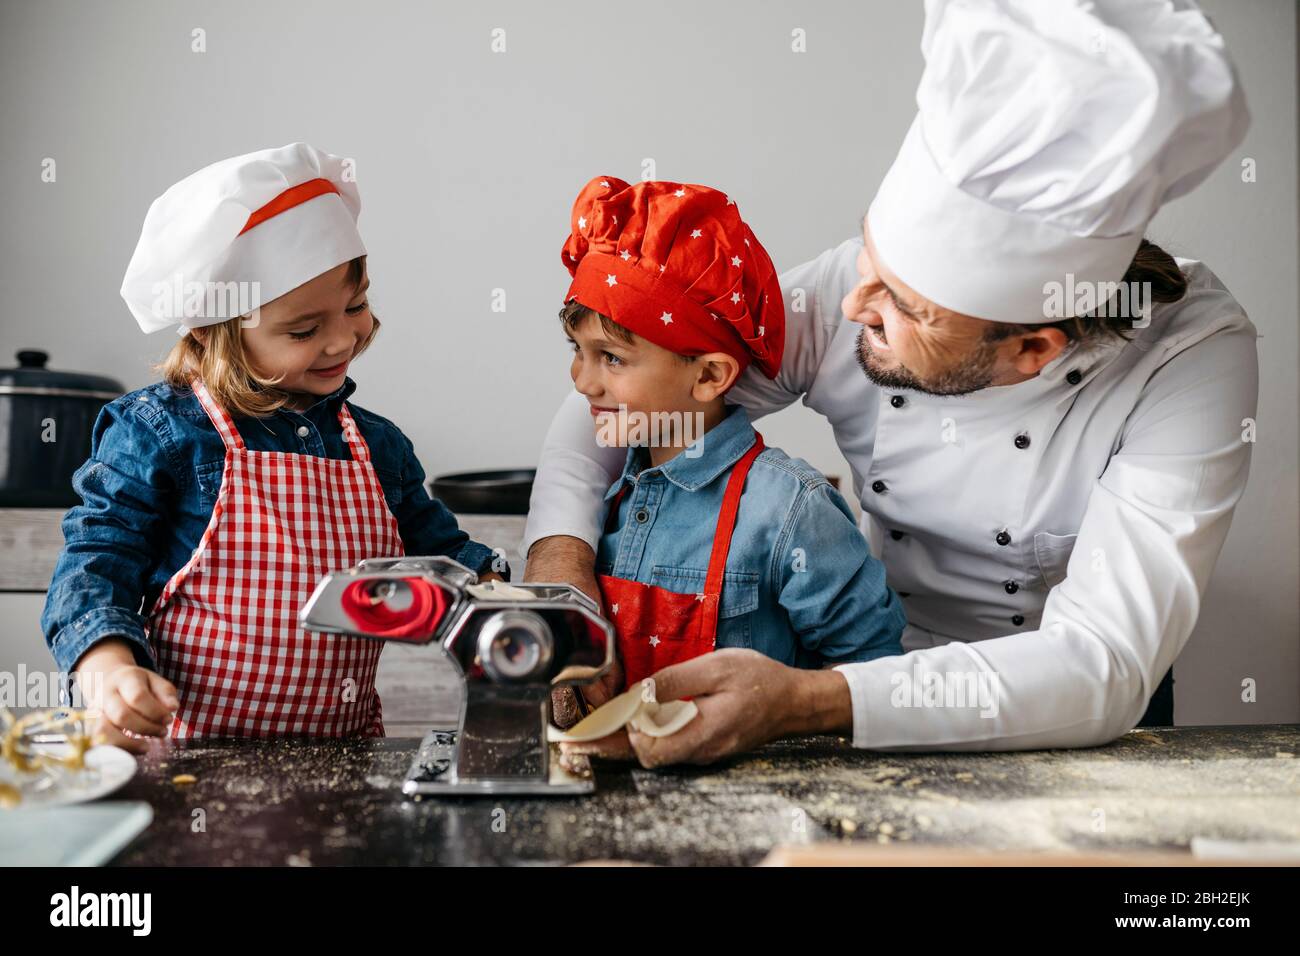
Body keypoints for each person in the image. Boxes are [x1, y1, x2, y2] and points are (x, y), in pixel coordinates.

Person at [523, 0, 1256, 764]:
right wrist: (560, 577)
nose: (850, 306)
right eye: (869, 261)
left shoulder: (1192, 357)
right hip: (875, 664)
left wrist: (804, 701)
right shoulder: (876, 281)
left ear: (1032, 348)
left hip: (1076, 713)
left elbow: (1103, 662)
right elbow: (614, 409)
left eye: (899, 310)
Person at [42, 143, 499, 746]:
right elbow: (96, 562)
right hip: (189, 764)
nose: (342, 340)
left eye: (355, 306)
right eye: (304, 329)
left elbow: (442, 561)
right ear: (213, 335)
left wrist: (505, 598)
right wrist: (107, 664)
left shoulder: (377, 447)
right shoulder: (162, 433)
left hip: (342, 759)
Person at [550, 176, 904, 740]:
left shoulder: (791, 510)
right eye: (578, 351)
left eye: (612, 358)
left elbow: (872, 669)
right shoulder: (608, 493)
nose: (582, 381)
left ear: (710, 375)